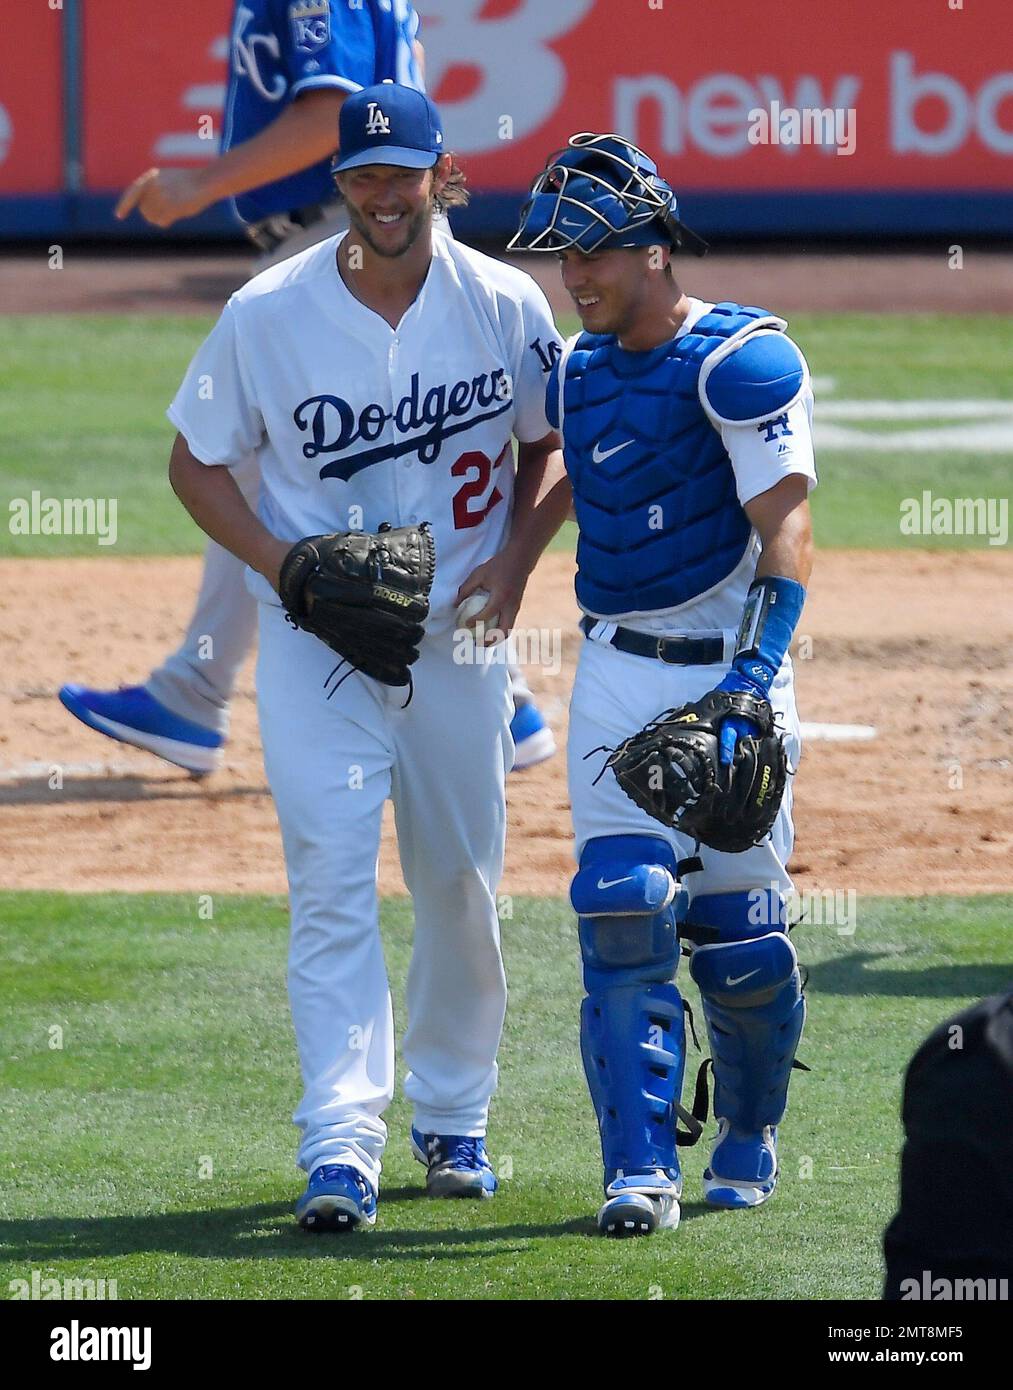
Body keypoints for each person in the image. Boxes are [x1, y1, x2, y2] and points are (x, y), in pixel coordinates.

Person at [161, 83, 568, 1231]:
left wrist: (520, 559)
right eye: (364, 176)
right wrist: (285, 567)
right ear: (339, 185)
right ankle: (339, 1141)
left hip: (455, 639)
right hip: (314, 645)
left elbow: (557, 441)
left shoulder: (502, 302)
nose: (385, 196)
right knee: (331, 883)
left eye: (406, 174)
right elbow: (195, 462)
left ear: (445, 177)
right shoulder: (266, 312)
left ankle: (453, 1116)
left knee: (456, 881)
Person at [58, 0, 556, 775]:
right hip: (351, 228)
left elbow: (331, 113)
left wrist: (198, 185)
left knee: (300, 458)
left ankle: (497, 697)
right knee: (272, 466)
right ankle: (197, 691)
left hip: (348, 229)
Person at [509, 133, 816, 1236]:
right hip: (615, 672)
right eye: (560, 260)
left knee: (737, 943)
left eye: (590, 255)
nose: (573, 278)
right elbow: (578, 473)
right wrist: (508, 568)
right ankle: (636, 1171)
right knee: (622, 910)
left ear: (652, 247)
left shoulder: (741, 360)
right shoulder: (577, 369)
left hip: (730, 680)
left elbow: (785, 529)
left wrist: (752, 679)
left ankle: (746, 1129)